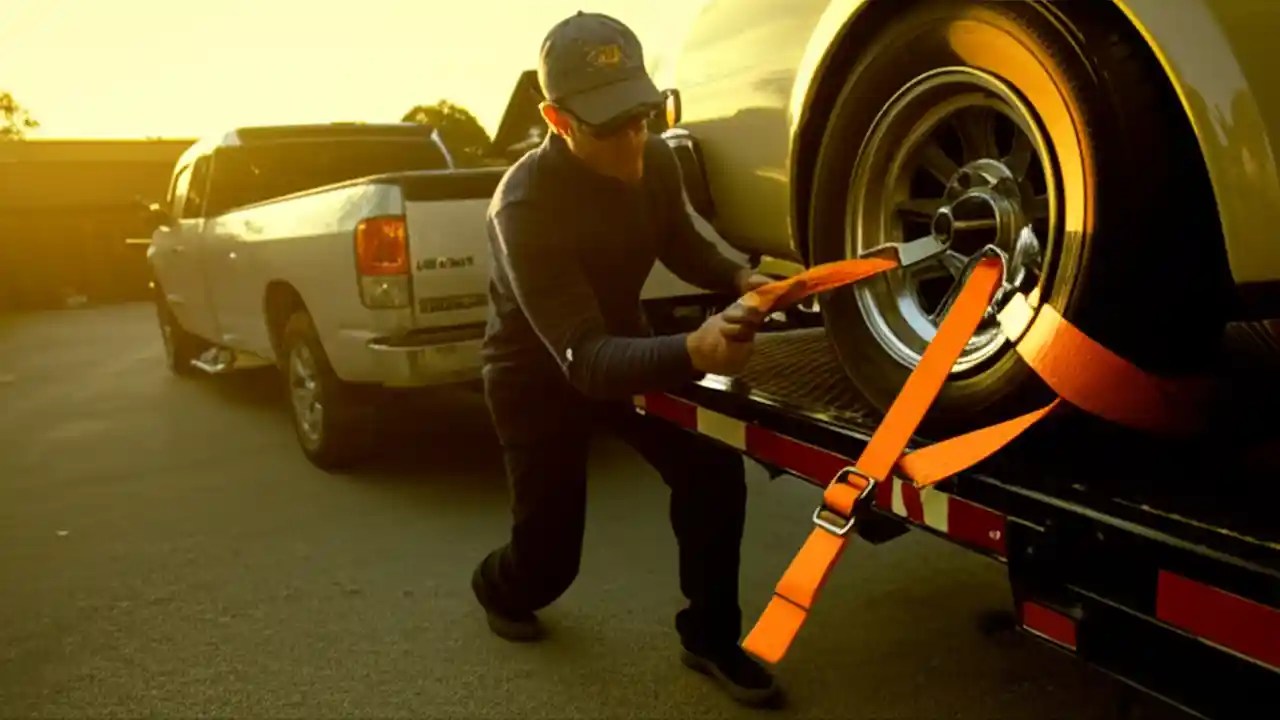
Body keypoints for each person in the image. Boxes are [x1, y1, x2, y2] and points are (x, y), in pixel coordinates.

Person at [470, 10, 782, 708]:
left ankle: (709, 636)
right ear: (557, 117)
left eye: (642, 112)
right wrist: (693, 349)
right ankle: (497, 584)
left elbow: (679, 237)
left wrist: (738, 277)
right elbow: (582, 359)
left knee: (710, 470)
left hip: (622, 345)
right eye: (611, 125)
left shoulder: (657, 157)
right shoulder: (523, 206)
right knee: (550, 561)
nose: (634, 138)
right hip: (537, 377)